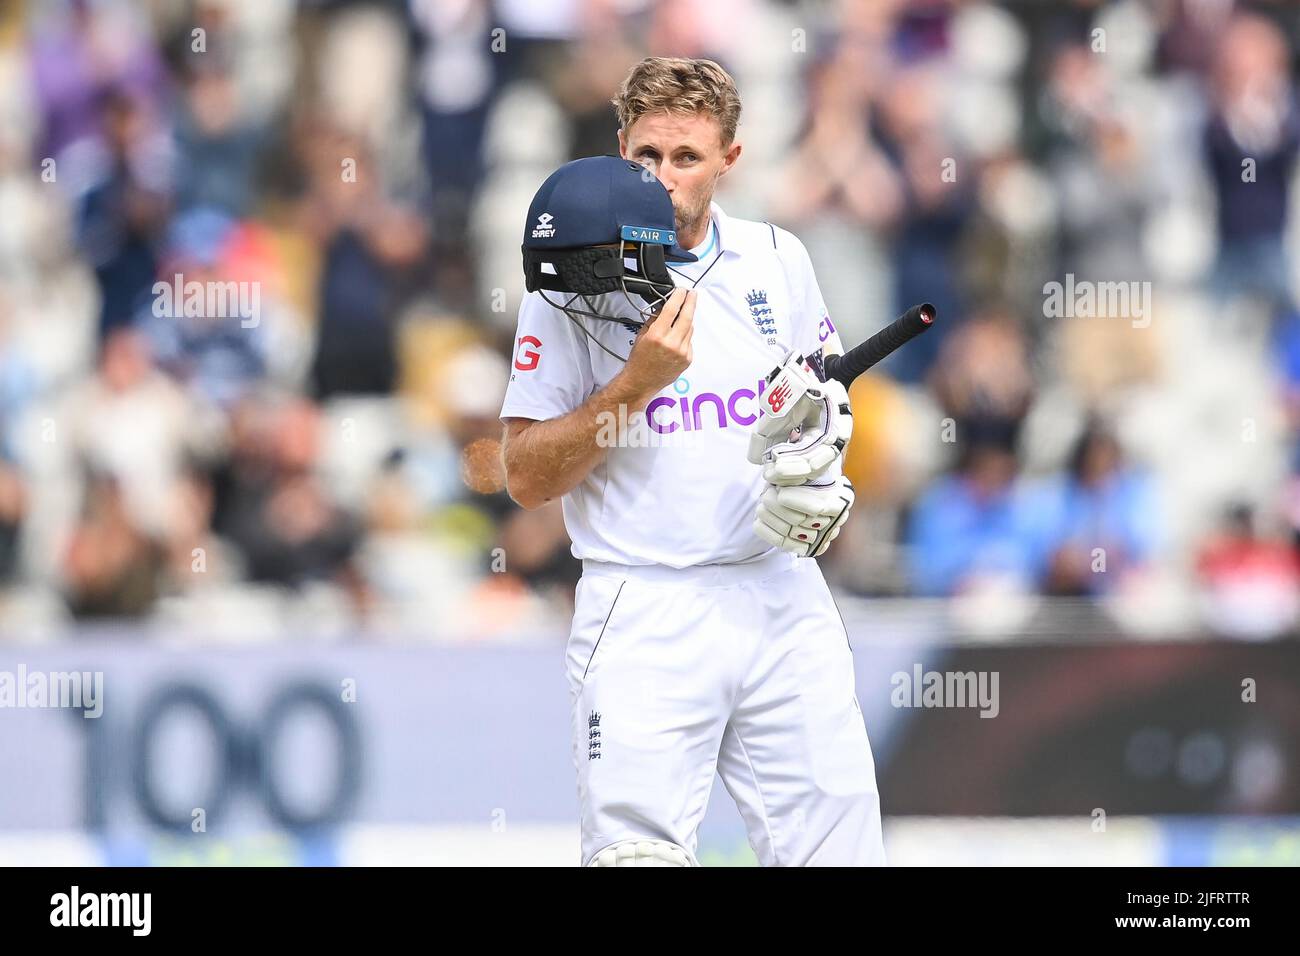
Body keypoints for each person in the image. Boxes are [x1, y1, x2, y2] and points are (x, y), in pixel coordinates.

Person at [499, 58, 883, 866]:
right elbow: (527, 476)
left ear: (730, 160)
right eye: (647, 156)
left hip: (779, 594)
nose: (664, 181)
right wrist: (635, 385)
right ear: (619, 147)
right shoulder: (567, 279)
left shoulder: (779, 258)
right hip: (644, 602)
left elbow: (825, 401)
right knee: (635, 858)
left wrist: (821, 461)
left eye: (687, 159)